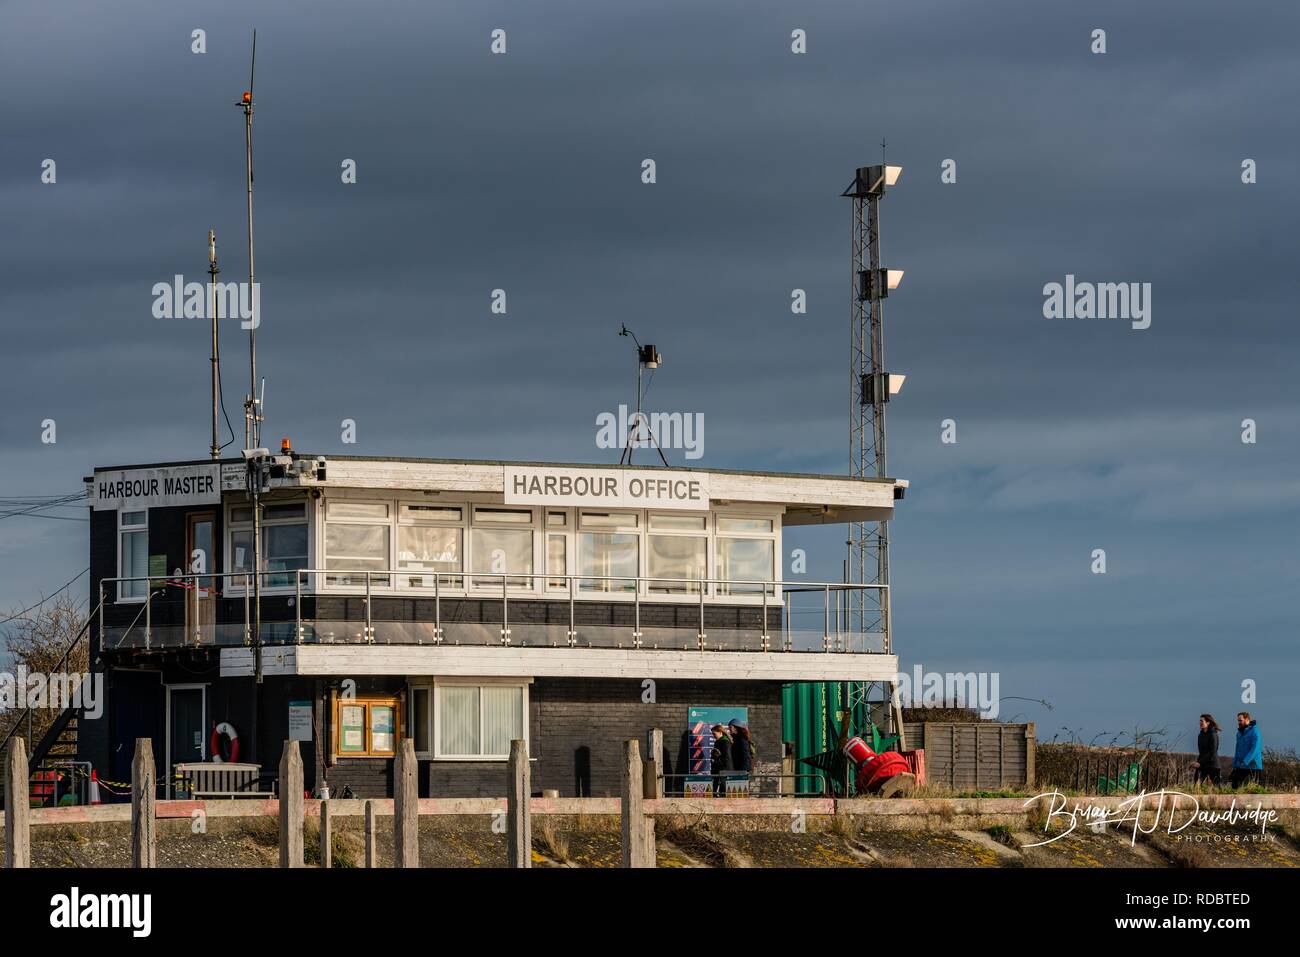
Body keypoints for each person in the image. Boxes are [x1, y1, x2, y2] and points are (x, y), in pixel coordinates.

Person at [1230, 711, 1263, 789]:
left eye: (1240, 720)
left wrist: (1246, 761)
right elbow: (1237, 749)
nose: (1239, 722)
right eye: (1238, 720)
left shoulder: (1255, 731)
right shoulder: (1239, 733)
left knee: (1257, 787)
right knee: (1235, 785)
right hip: (1241, 764)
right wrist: (1235, 763)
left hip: (1253, 764)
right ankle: (1236, 800)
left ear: (1247, 719)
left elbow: (1255, 748)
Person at [1193, 714, 1220, 785]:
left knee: (1216, 787)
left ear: (1208, 722)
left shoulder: (1213, 734)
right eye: (1200, 721)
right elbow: (1201, 752)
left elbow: (1213, 751)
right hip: (1202, 764)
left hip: (1212, 765)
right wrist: (1198, 762)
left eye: (1202, 721)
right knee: (1197, 784)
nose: (1200, 723)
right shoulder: (1200, 735)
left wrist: (1200, 762)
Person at [710, 724, 732, 796]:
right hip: (717, 769)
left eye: (714, 734)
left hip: (724, 770)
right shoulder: (718, 742)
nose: (713, 736)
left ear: (720, 732)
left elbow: (727, 758)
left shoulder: (725, 742)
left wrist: (717, 762)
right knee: (715, 791)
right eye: (712, 734)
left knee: (723, 791)